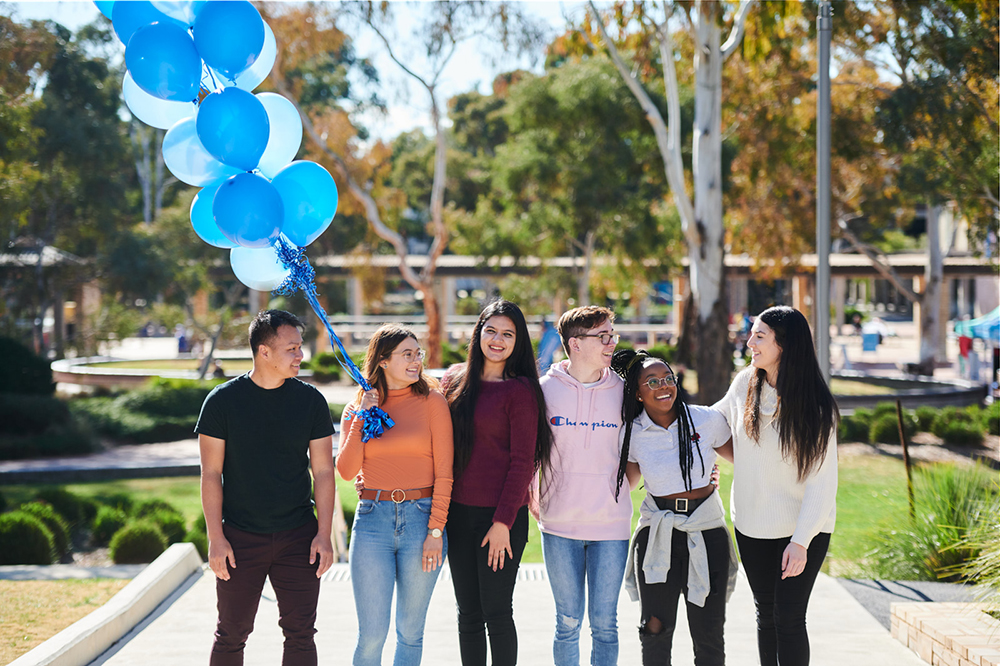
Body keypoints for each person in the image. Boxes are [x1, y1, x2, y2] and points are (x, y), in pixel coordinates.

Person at [196, 309, 336, 666]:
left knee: (301, 634)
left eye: (299, 347)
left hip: (299, 537)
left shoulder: (310, 401)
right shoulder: (222, 402)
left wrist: (323, 534)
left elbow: (323, 472)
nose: (300, 355)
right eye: (291, 349)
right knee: (231, 634)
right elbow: (211, 473)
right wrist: (216, 537)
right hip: (240, 538)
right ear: (264, 352)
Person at [713, 306, 839, 666]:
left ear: (784, 344)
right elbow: (716, 425)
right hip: (751, 527)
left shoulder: (816, 407)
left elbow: (821, 484)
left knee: (789, 618)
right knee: (765, 615)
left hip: (802, 533)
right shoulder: (744, 384)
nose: (749, 341)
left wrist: (800, 542)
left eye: (760, 335)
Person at [442, 299, 552, 666]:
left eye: (508, 334)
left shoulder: (520, 390)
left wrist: (503, 522)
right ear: (478, 333)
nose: (497, 340)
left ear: (517, 342)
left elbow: (523, 462)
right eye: (491, 330)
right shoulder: (454, 380)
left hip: (501, 519)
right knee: (467, 614)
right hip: (457, 515)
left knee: (497, 613)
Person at [336, 324, 453, 666]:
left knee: (410, 632)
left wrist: (435, 531)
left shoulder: (433, 402)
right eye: (407, 354)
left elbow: (445, 473)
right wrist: (362, 416)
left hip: (421, 520)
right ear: (383, 361)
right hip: (372, 522)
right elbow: (346, 471)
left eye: (418, 354)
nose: (416, 361)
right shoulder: (357, 406)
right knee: (371, 635)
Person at [611, 349, 737, 665]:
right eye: (651, 382)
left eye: (667, 378)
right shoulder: (632, 433)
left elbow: (745, 458)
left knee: (709, 630)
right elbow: (622, 484)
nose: (663, 386)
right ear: (637, 394)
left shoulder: (705, 420)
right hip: (658, 535)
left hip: (706, 532)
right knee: (654, 626)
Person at [537, 305, 634, 666]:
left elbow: (639, 450)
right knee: (567, 623)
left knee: (605, 625)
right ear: (575, 344)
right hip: (559, 526)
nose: (612, 343)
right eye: (603, 336)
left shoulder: (625, 392)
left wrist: (615, 489)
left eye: (613, 335)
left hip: (611, 528)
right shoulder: (544, 390)